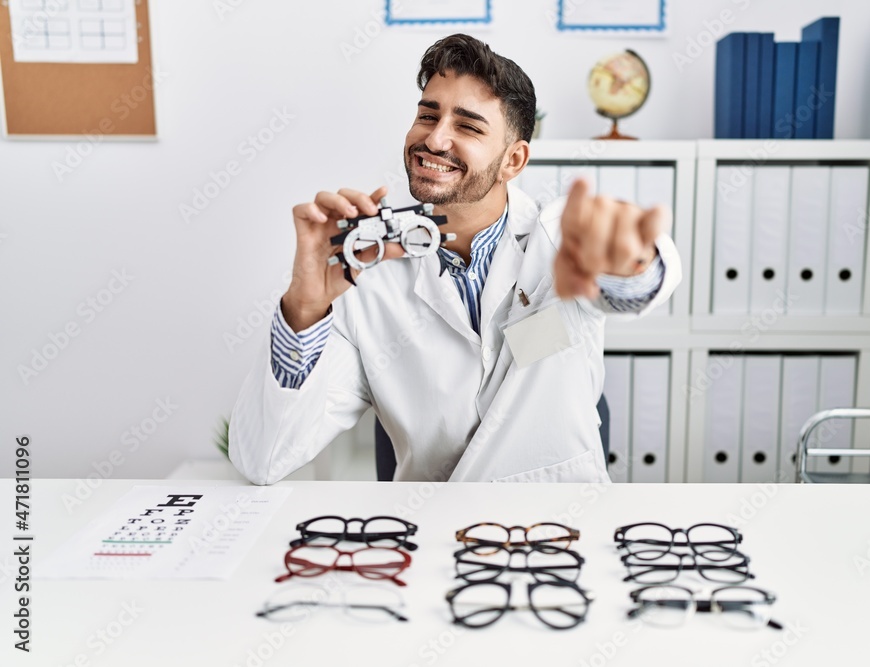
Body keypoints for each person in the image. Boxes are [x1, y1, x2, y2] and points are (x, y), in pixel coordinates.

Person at [228, 33, 681, 484]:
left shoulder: (559, 239)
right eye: (428, 115)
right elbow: (263, 459)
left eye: (467, 126)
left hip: (558, 530)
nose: (436, 138)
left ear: (513, 160)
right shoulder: (364, 276)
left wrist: (630, 262)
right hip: (430, 538)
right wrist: (304, 308)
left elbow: (637, 286)